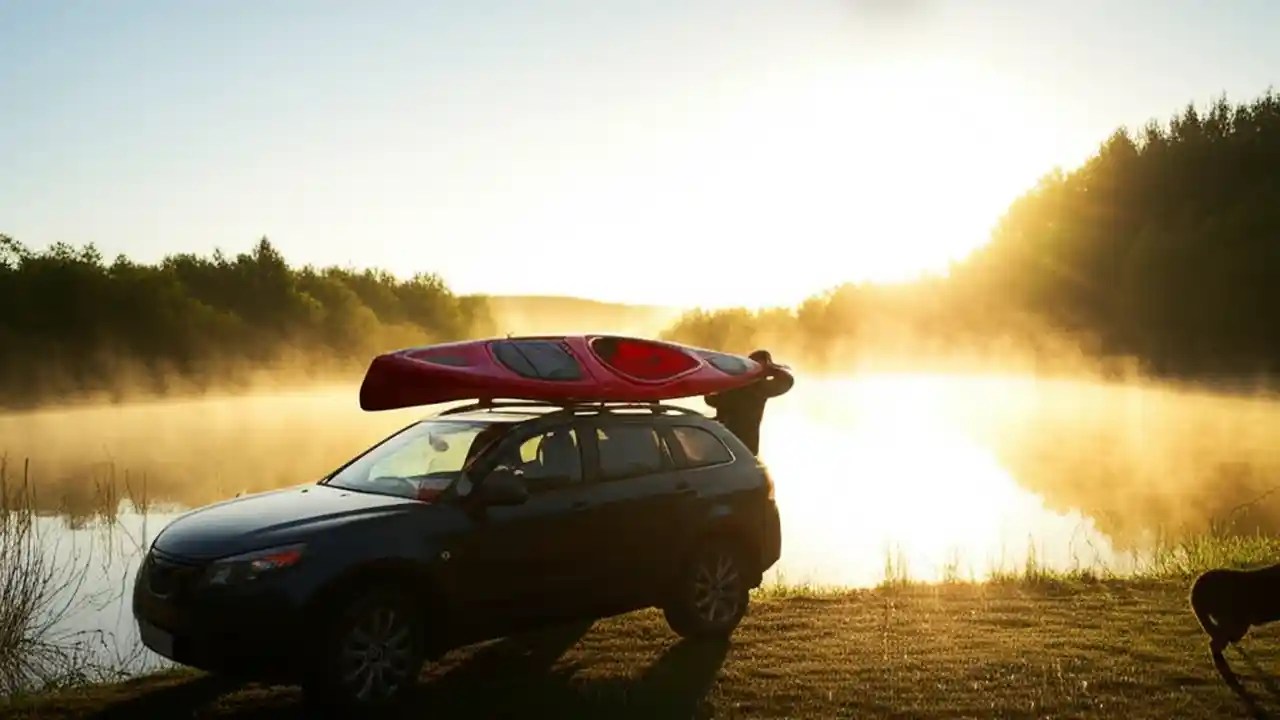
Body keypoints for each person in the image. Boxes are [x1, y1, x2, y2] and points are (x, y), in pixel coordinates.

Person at [703, 350, 794, 456]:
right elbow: (711, 400)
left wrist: (770, 369)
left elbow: (787, 381)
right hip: (731, 443)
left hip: (735, 444)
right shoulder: (749, 386)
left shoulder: (756, 387)